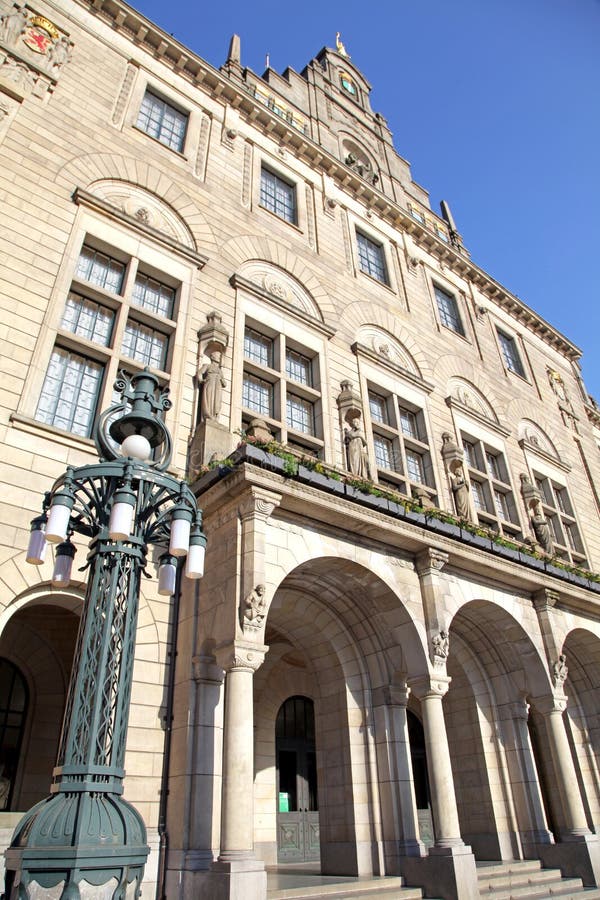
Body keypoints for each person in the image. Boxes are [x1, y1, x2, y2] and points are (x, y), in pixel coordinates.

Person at [200, 352, 226, 420]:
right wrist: (202, 380)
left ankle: (215, 416)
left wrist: (221, 380)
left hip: (217, 386)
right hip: (210, 383)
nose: (219, 358)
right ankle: (208, 415)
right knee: (209, 399)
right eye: (218, 356)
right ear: (212, 357)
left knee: (216, 402)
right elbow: (199, 373)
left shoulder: (220, 370)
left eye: (220, 357)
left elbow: (224, 384)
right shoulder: (207, 366)